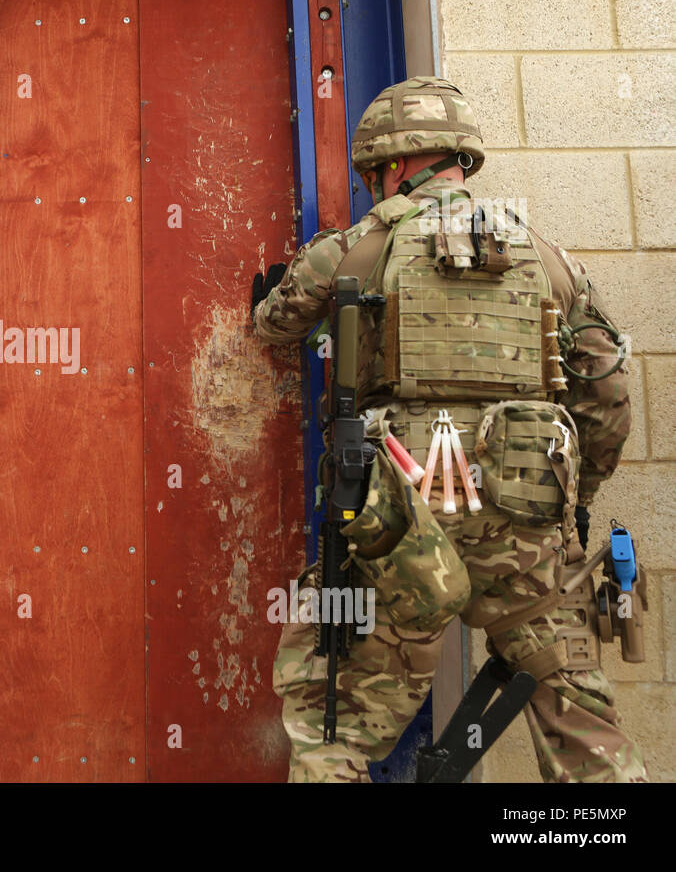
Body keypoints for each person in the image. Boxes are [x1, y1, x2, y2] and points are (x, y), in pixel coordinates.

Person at [251, 76, 647, 783]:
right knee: (585, 729)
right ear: (460, 158)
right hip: (526, 525)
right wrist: (573, 497)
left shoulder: (357, 247)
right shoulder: (547, 256)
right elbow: (608, 392)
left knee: (330, 721)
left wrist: (276, 297)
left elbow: (276, 325)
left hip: (399, 528)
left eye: (374, 173)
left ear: (393, 165)